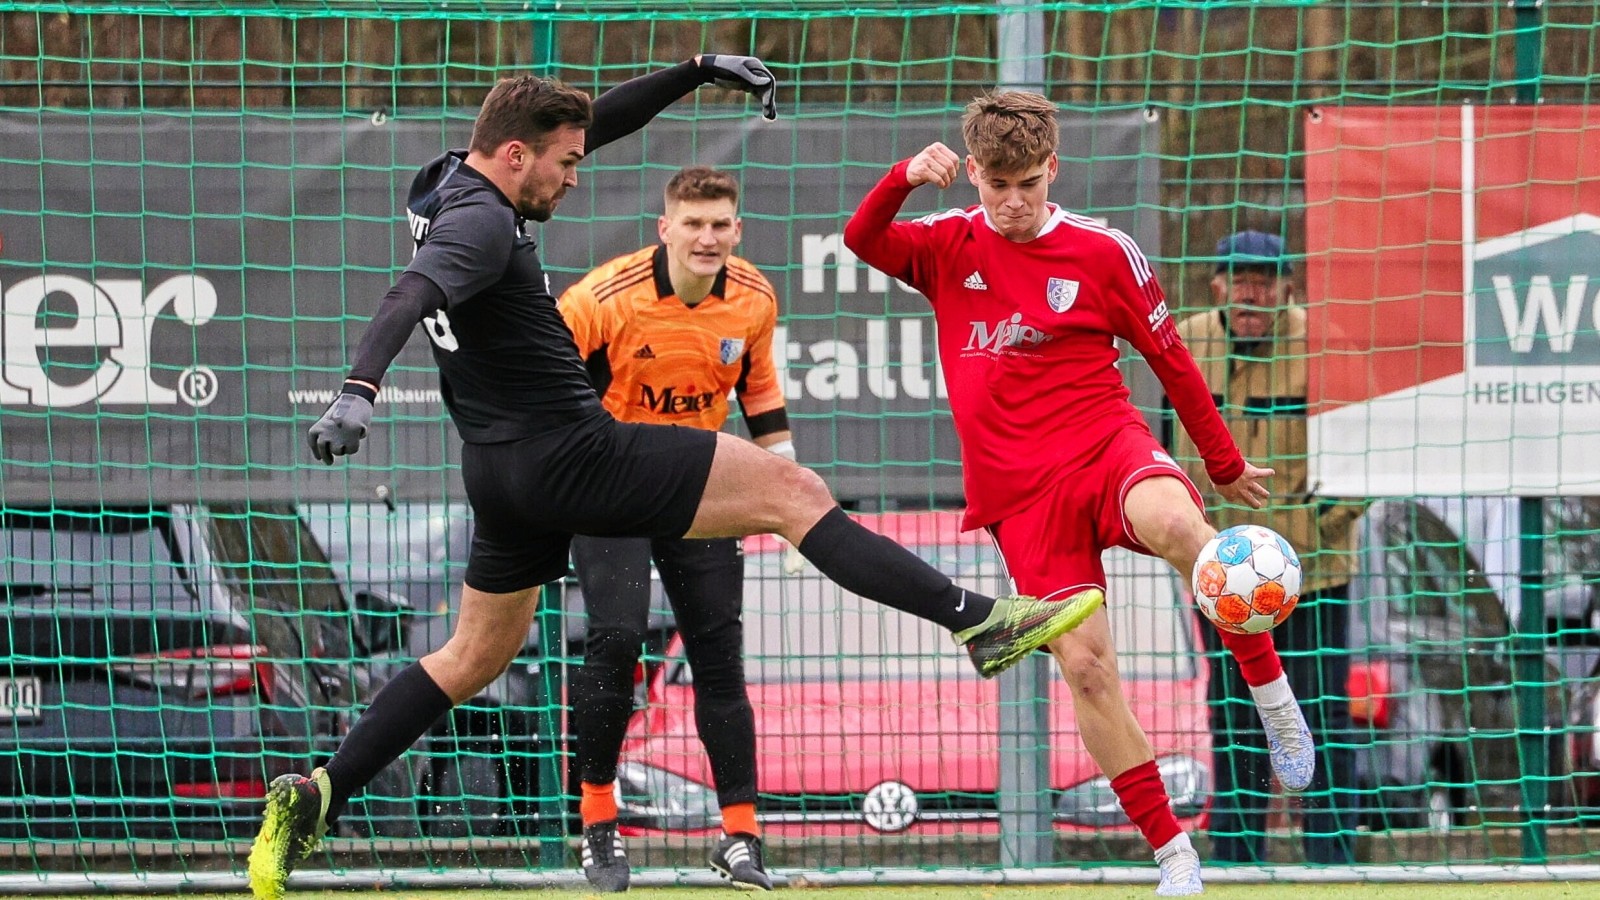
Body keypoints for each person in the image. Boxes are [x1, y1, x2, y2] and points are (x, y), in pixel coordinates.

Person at [249, 62, 1105, 900]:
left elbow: (590, 123)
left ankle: (321, 793)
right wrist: (357, 393)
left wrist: (693, 74)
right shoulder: (481, 229)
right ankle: (979, 621)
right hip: (577, 455)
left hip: (499, 471)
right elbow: (408, 294)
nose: (577, 178)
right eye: (567, 164)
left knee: (472, 654)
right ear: (515, 155)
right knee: (792, 492)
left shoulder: (444, 185)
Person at [842, 91, 1315, 897]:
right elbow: (863, 237)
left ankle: (1271, 699)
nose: (1013, 200)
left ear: (1052, 169)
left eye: (1027, 181)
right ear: (976, 179)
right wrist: (901, 177)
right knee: (1089, 669)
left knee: (1187, 533)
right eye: (997, 183)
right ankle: (1174, 855)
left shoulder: (1103, 252)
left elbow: (1171, 361)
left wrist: (1224, 461)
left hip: (1106, 447)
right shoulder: (946, 246)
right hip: (1020, 499)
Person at [555, 165, 789, 891]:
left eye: (721, 224)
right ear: (665, 228)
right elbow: (544, 391)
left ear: (737, 230)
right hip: (612, 489)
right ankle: (597, 825)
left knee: (719, 656)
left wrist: (791, 499)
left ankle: (741, 839)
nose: (708, 237)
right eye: (693, 223)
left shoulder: (752, 298)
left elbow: (762, 399)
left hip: (700, 490)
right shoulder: (600, 300)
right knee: (618, 638)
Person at [1172, 231, 1364, 865]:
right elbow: (1172, 452)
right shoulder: (1187, 340)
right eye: (1237, 275)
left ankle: (1332, 862)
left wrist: (1312, 529)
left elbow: (1365, 454)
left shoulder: (1326, 341)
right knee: (1233, 718)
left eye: (1266, 277)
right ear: (1217, 284)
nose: (1251, 289)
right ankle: (1233, 862)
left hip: (1317, 574)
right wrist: (1196, 539)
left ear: (1289, 286)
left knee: (1323, 718)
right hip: (1223, 575)